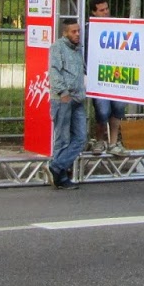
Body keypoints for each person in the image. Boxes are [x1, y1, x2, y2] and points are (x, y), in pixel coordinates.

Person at [47, 17, 88, 188]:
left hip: (78, 98)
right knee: (62, 139)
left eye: (78, 31)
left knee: (80, 137)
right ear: (65, 33)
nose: (78, 34)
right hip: (63, 99)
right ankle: (61, 178)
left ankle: (56, 167)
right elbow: (54, 71)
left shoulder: (78, 49)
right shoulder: (57, 47)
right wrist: (63, 93)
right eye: (74, 31)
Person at [85, 0, 127, 154]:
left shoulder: (117, 27)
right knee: (102, 111)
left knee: (118, 108)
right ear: (94, 12)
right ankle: (100, 140)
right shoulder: (89, 30)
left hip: (118, 75)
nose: (105, 12)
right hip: (99, 77)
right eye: (101, 10)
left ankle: (113, 143)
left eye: (107, 8)